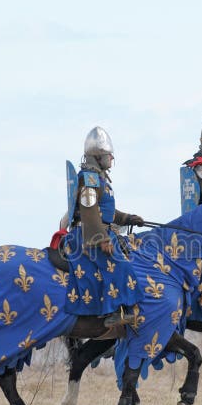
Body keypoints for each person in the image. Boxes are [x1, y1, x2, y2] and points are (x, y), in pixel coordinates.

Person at [62, 126, 145, 327]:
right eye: (109, 155)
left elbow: (106, 212)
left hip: (100, 231)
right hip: (89, 236)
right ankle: (116, 312)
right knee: (120, 265)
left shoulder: (100, 179)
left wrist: (127, 218)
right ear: (98, 156)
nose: (111, 159)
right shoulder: (89, 178)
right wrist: (103, 239)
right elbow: (89, 210)